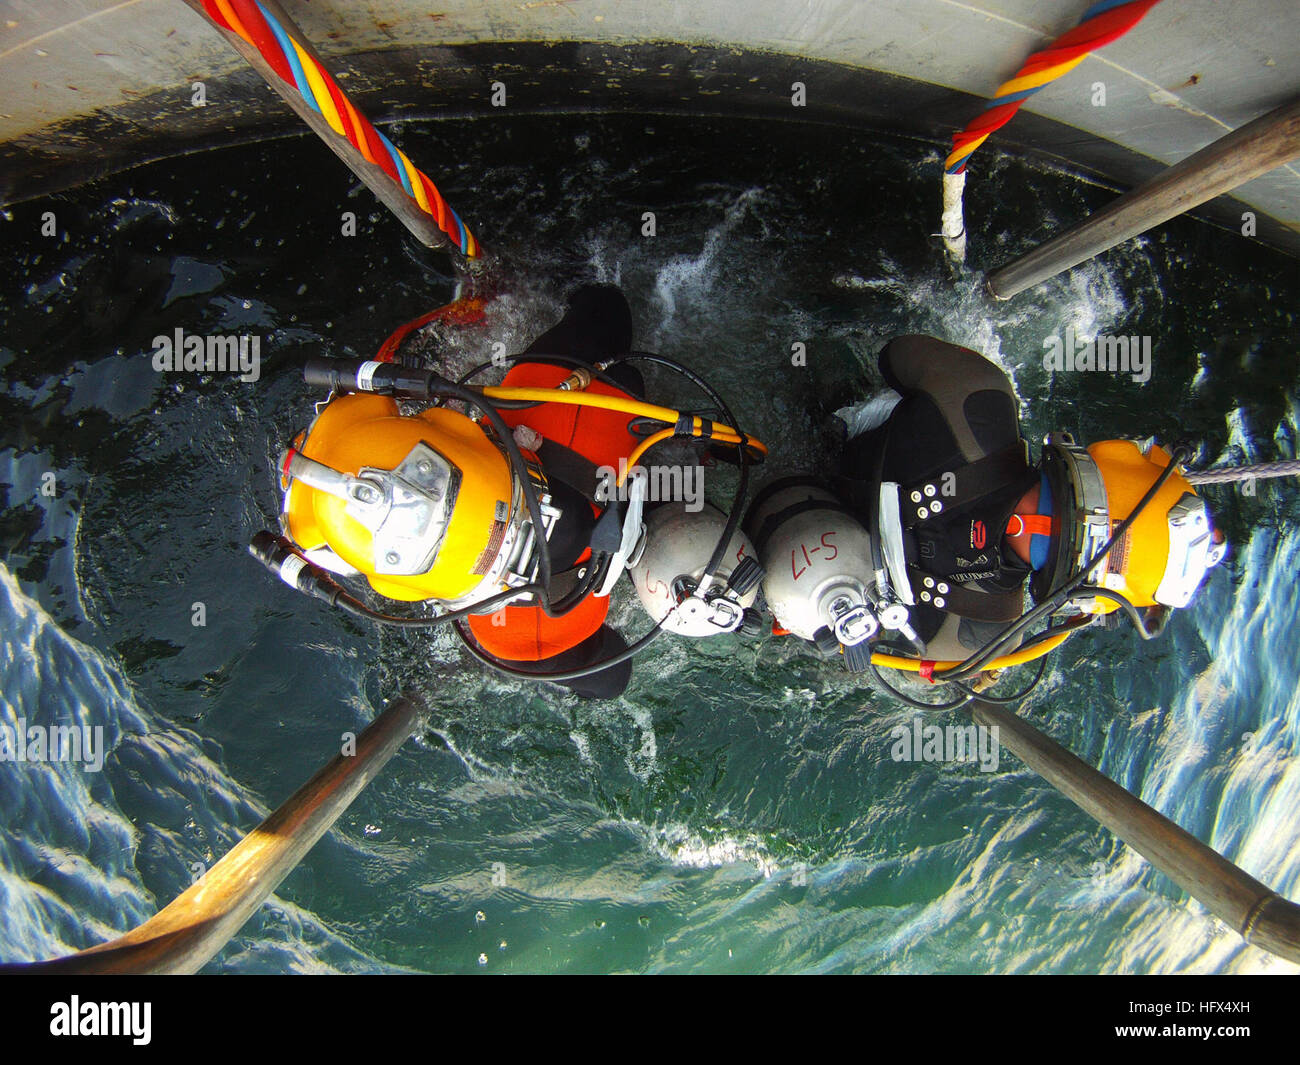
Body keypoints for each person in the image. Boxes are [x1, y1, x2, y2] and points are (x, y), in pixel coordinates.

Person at [831, 335, 1226, 663]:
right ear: (1082, 597)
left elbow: (893, 353)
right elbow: (877, 662)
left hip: (829, 436)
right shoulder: (985, 638)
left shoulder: (979, 394)